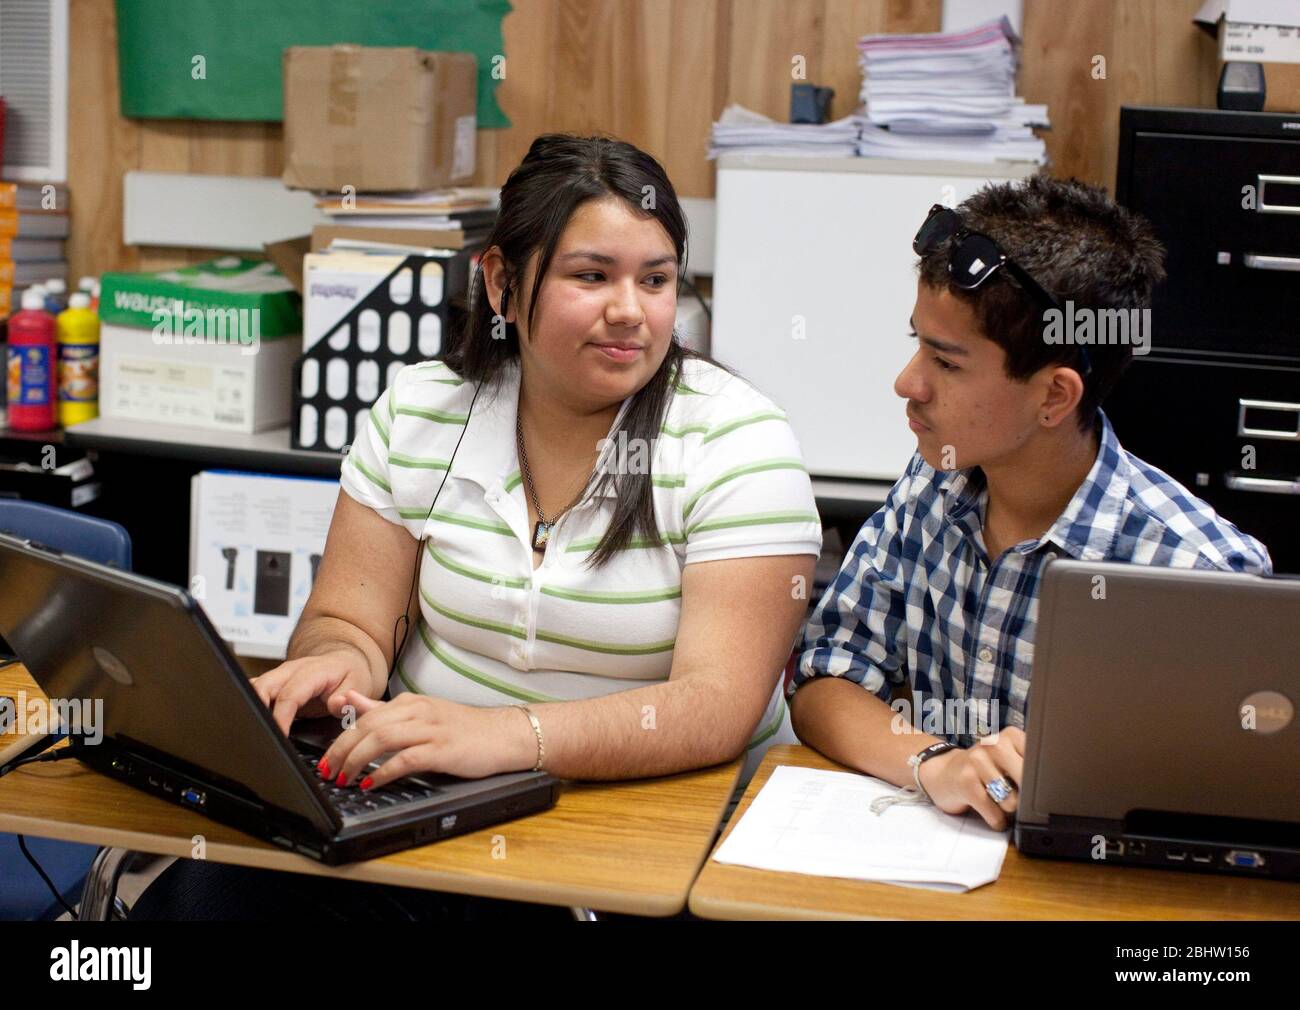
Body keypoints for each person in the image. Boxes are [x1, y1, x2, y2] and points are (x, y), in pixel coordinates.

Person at [131, 133, 821, 920]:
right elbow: (348, 619)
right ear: (500, 283)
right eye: (591, 276)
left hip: (645, 830)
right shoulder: (422, 410)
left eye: (656, 280)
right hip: (428, 798)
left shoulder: (737, 439)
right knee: (198, 906)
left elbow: (716, 705)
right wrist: (339, 667)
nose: (630, 311)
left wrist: (507, 738)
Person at [789, 175, 1271, 833]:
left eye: (947, 363)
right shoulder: (934, 483)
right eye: (916, 344)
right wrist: (934, 762)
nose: (907, 384)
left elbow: (1227, 811)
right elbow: (824, 684)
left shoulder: (1201, 572)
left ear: (1053, 397)